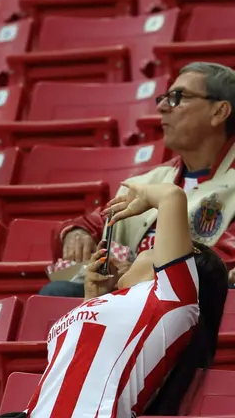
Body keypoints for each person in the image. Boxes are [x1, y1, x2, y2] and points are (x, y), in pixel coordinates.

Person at [24, 182, 228, 417]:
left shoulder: (172, 303)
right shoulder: (122, 306)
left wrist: (140, 195)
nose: (151, 248)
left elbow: (170, 195)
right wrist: (93, 300)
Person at [43, 62, 235, 297]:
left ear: (219, 112)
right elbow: (95, 223)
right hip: (133, 296)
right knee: (57, 292)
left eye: (178, 97)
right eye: (163, 98)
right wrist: (76, 233)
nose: (162, 107)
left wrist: (140, 272)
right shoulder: (152, 179)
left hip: (193, 304)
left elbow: (222, 263)